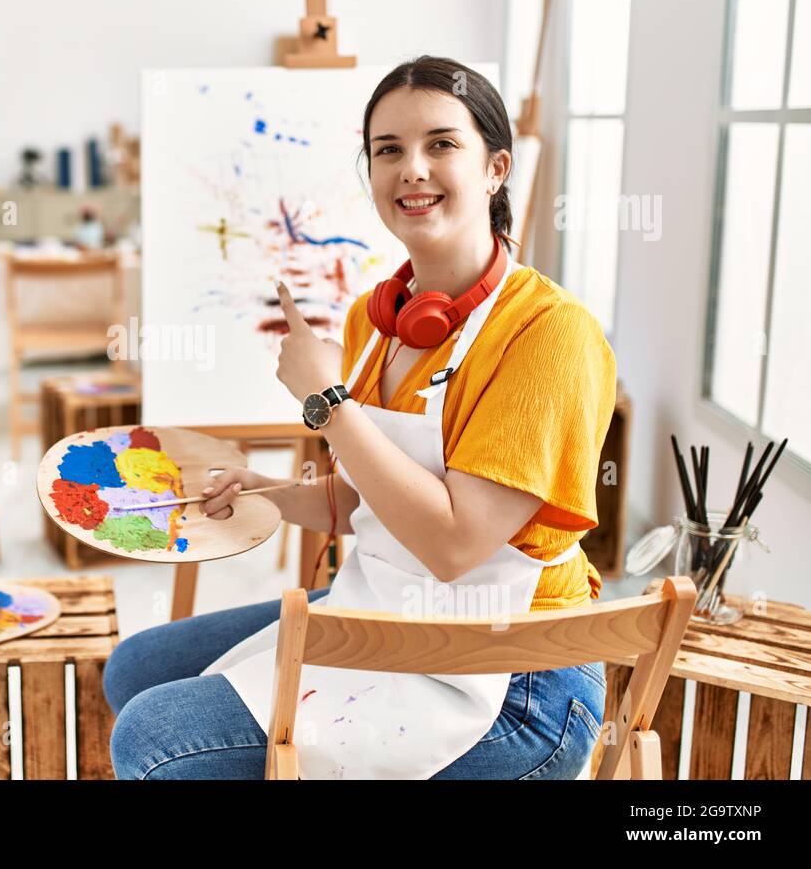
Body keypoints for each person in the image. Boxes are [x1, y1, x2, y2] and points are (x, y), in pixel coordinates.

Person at [103, 56, 617, 780]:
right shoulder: (374, 322)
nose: (412, 168)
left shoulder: (550, 336)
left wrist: (328, 407)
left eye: (442, 144)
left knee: (156, 738)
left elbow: (454, 545)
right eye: (388, 150)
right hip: (391, 608)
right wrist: (271, 493)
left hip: (513, 674)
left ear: (496, 168)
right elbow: (379, 504)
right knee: (137, 667)